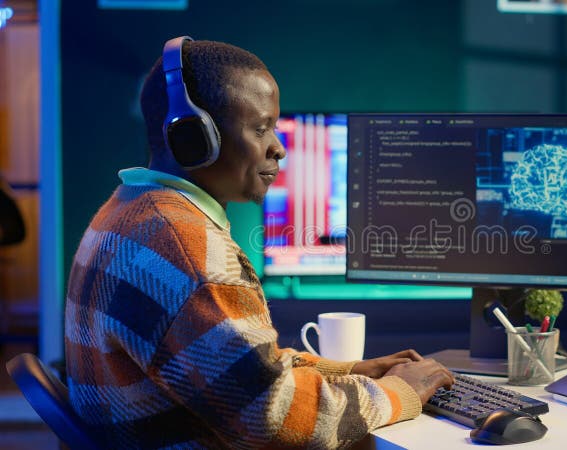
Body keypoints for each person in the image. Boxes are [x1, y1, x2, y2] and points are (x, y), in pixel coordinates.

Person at [65, 37, 454, 449]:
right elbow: (274, 418)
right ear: (194, 137)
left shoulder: (128, 211)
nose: (279, 148)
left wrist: (356, 370)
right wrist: (402, 392)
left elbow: (242, 374)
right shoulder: (187, 250)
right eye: (260, 128)